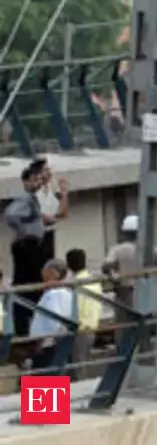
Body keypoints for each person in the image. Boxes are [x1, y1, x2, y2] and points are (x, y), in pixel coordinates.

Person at [102, 214, 157, 343]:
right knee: (144, 328)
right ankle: (144, 353)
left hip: (124, 293)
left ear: (124, 233)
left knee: (123, 330)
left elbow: (106, 267)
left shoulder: (117, 250)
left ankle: (124, 357)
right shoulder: (152, 249)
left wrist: (114, 278)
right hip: (146, 293)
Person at [4, 167, 47, 336]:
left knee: (33, 287)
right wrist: (23, 232)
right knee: (28, 285)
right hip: (28, 245)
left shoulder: (34, 199)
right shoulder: (26, 199)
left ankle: (27, 327)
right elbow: (10, 214)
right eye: (34, 180)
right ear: (26, 182)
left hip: (32, 245)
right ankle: (23, 330)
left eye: (39, 180)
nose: (38, 183)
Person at [28, 258, 74, 373]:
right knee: (55, 382)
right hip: (59, 343)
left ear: (54, 273)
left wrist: (41, 342)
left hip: (47, 346)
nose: (42, 273)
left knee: (42, 385)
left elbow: (53, 323)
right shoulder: (68, 293)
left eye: (45, 270)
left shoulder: (52, 295)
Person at [65, 248, 101, 380]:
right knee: (82, 364)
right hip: (91, 327)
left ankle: (79, 398)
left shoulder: (75, 284)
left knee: (77, 367)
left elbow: (75, 309)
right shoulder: (93, 281)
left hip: (78, 329)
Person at [29, 157, 70, 263]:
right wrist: (51, 219)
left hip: (49, 235)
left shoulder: (50, 190)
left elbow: (62, 214)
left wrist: (64, 194)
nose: (49, 173)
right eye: (46, 170)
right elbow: (41, 218)